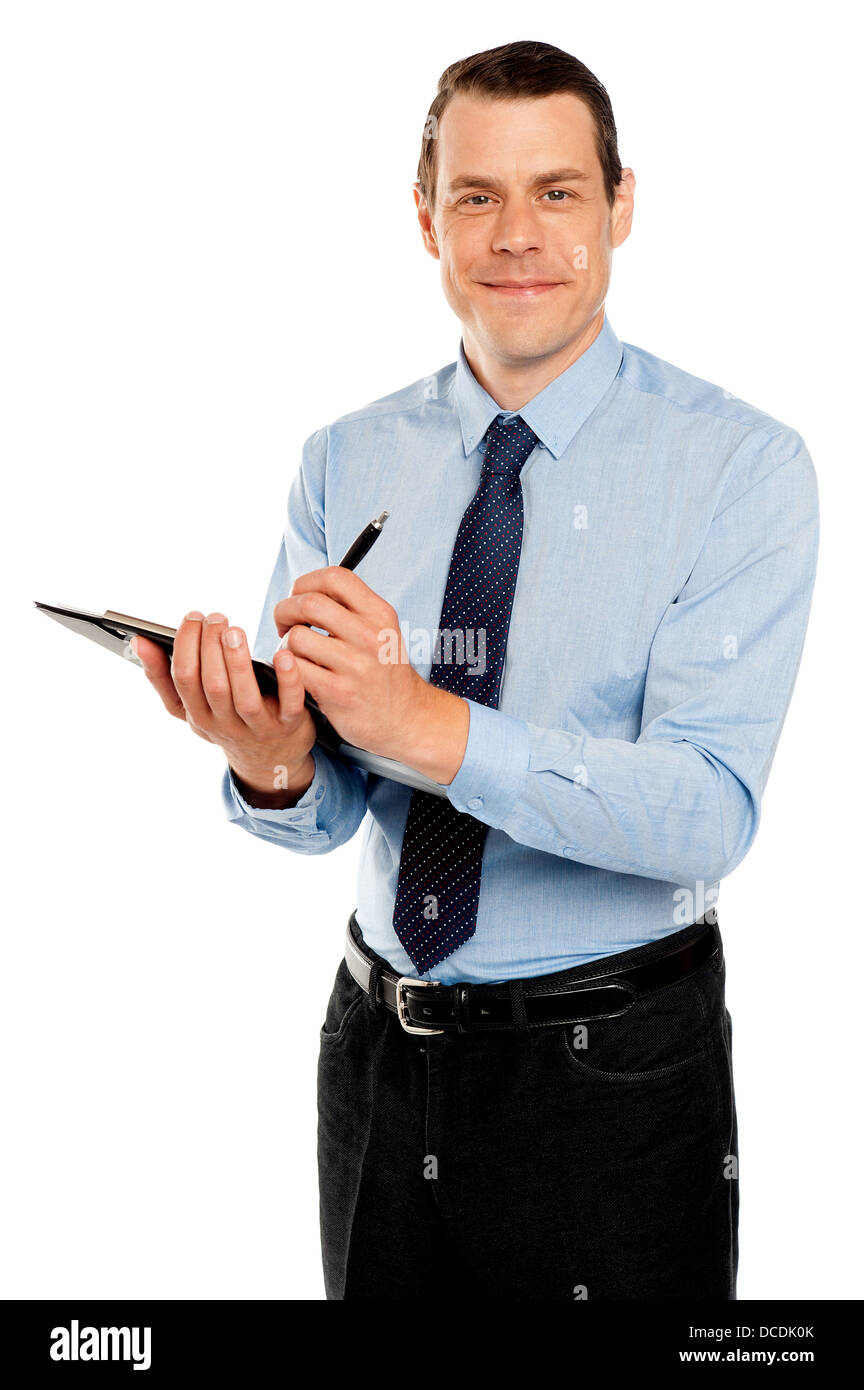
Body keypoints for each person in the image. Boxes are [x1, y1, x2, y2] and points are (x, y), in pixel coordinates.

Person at [133, 39, 819, 1300]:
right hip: (380, 1063)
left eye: (558, 192)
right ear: (424, 216)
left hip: (612, 1072)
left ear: (621, 206)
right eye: (476, 196)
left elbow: (707, 811)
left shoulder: (742, 469)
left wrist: (431, 721)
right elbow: (339, 797)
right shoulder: (343, 458)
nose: (517, 235)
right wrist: (273, 761)